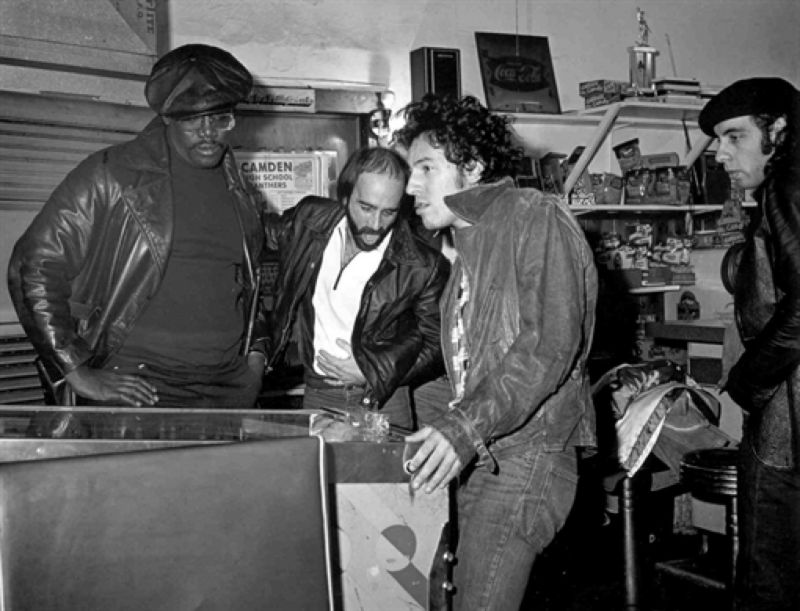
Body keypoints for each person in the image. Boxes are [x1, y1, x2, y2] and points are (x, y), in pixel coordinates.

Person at [395, 94, 598, 611]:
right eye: (409, 170)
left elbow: (547, 346)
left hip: (529, 455)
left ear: (474, 165)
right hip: (491, 454)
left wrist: (461, 429)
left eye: (426, 168)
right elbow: (469, 374)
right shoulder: (464, 255)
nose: (411, 186)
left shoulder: (535, 217)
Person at [7, 44, 268, 410]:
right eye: (193, 120)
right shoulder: (112, 174)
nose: (209, 133)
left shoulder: (240, 190)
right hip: (142, 389)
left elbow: (249, 284)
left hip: (228, 390)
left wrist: (255, 359)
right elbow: (33, 265)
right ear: (166, 117)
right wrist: (75, 369)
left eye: (220, 118)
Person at [699, 77, 800, 611]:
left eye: (735, 136)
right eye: (719, 140)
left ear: (779, 133)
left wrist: (745, 383)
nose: (721, 153)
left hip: (785, 425)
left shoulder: (786, 186)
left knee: (768, 583)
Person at [262, 146, 449, 431]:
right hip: (318, 394)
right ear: (345, 197)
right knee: (319, 475)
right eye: (366, 208)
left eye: (389, 213)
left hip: (383, 399)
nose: (375, 225)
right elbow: (256, 236)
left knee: (383, 477)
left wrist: (373, 372)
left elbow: (436, 344)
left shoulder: (422, 265)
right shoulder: (309, 220)